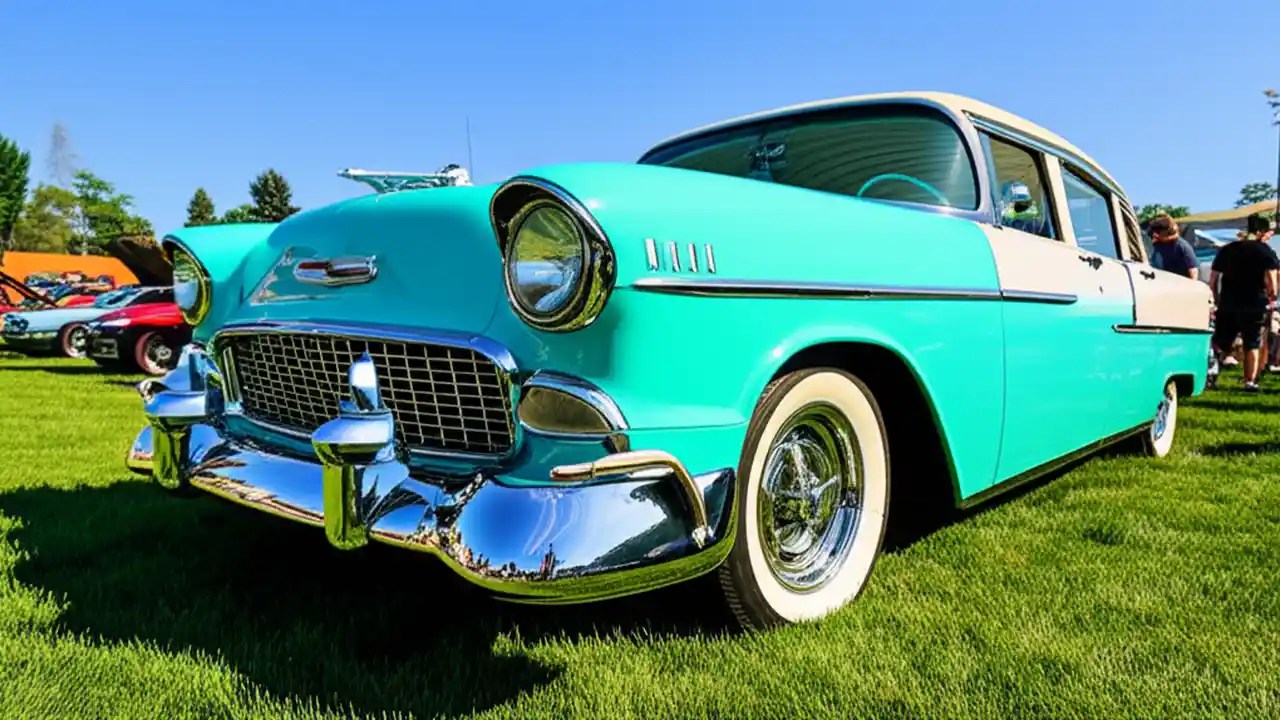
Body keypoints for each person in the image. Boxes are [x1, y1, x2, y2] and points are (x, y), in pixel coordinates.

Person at [1208, 213, 1278, 391]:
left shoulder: (1228, 249)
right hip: (1254, 302)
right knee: (1252, 343)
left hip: (1228, 302)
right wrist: (1272, 296)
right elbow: (1271, 279)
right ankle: (1249, 381)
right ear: (1262, 232)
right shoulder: (1265, 251)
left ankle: (1211, 375)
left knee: (1221, 342)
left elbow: (1213, 278)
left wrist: (1214, 299)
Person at [1147, 213, 1198, 280]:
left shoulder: (1182, 246)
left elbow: (1193, 270)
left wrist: (1192, 286)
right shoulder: (1157, 245)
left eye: (1157, 233)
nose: (1155, 235)